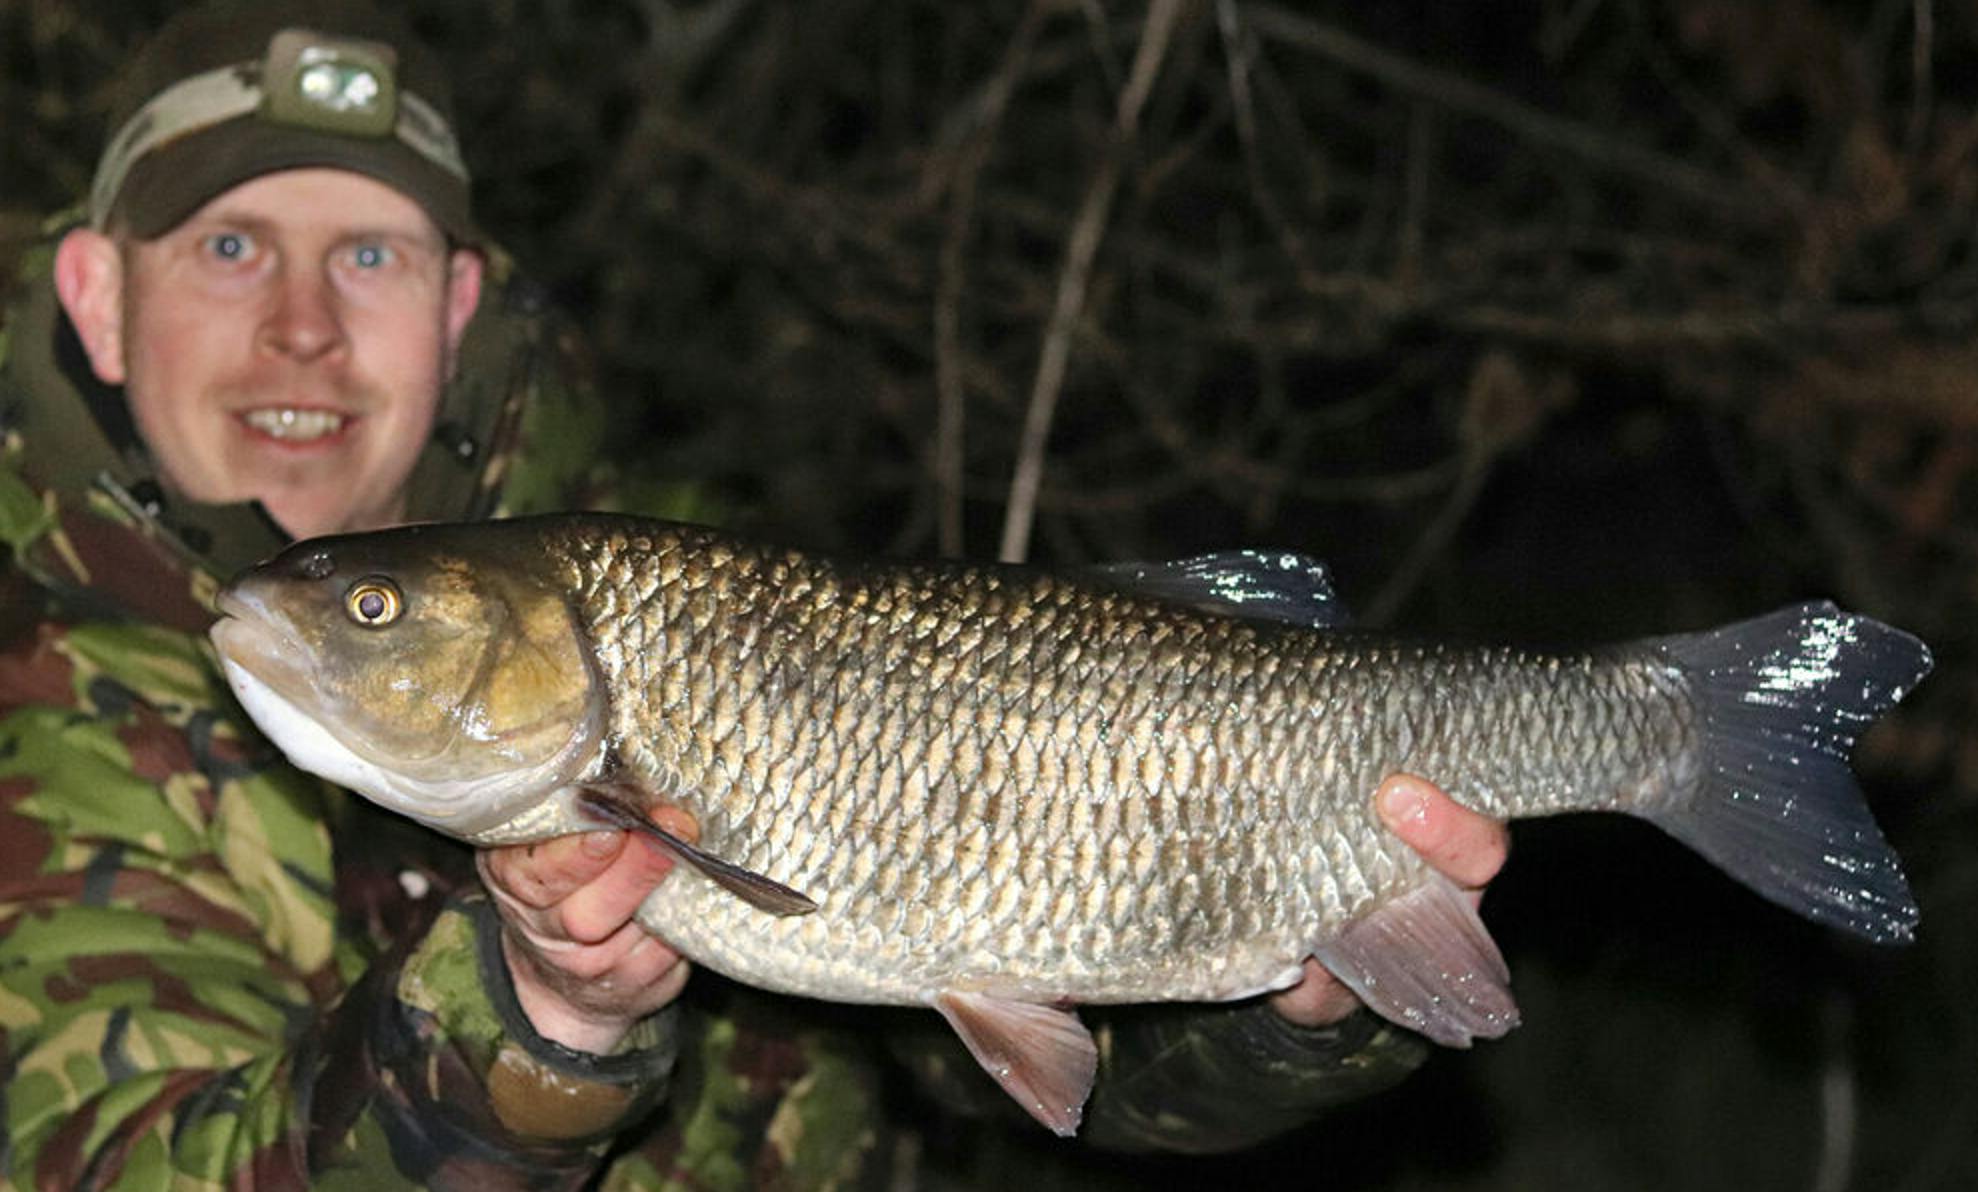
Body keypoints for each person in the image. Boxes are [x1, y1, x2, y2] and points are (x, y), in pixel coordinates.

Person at [0, 2, 1510, 1186]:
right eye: (232, 245)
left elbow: (1079, 1095)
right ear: (95, 298)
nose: (304, 329)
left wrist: (1300, 1015)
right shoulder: (39, 719)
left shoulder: (702, 579)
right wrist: (534, 1024)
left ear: (457, 305)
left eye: (372, 253)